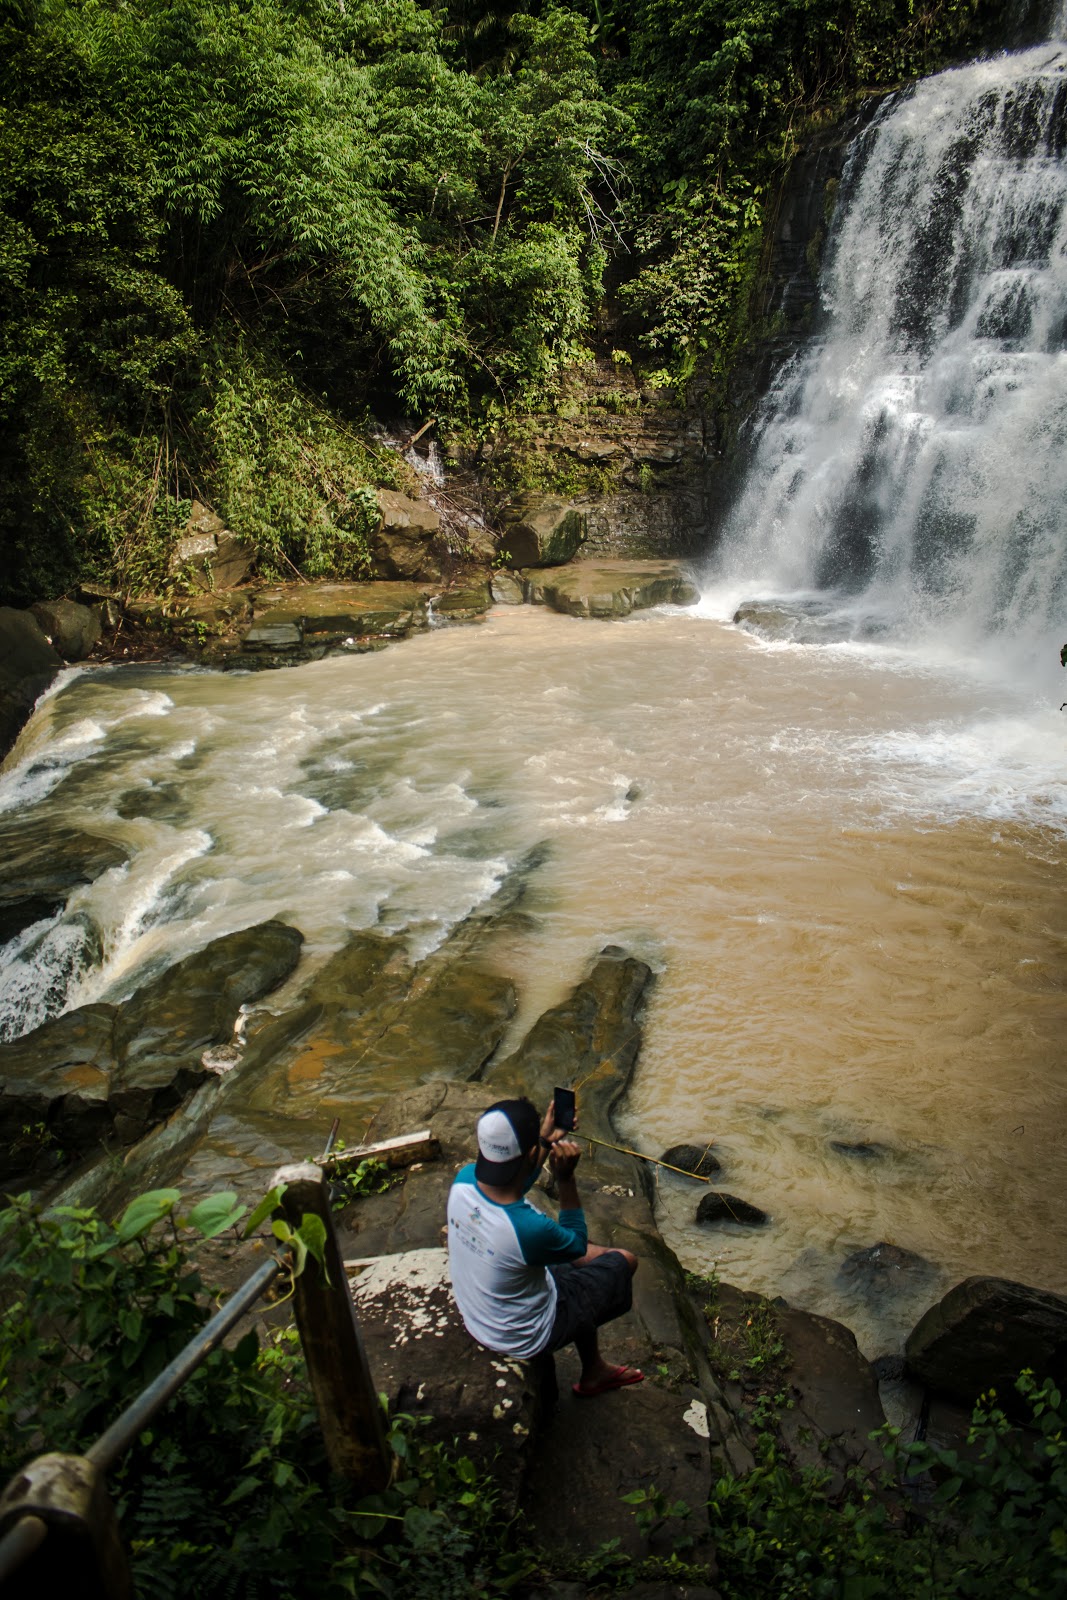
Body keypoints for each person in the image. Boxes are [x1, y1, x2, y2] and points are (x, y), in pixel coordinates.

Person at [446, 1095, 643, 1397]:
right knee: (623, 1260)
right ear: (526, 1157)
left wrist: (544, 1140)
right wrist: (565, 1178)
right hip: (525, 1333)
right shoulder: (528, 1230)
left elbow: (513, 1183)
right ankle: (594, 1373)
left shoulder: (464, 1181)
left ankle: (594, 1369)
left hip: (480, 1316)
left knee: (575, 1271)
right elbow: (575, 1243)